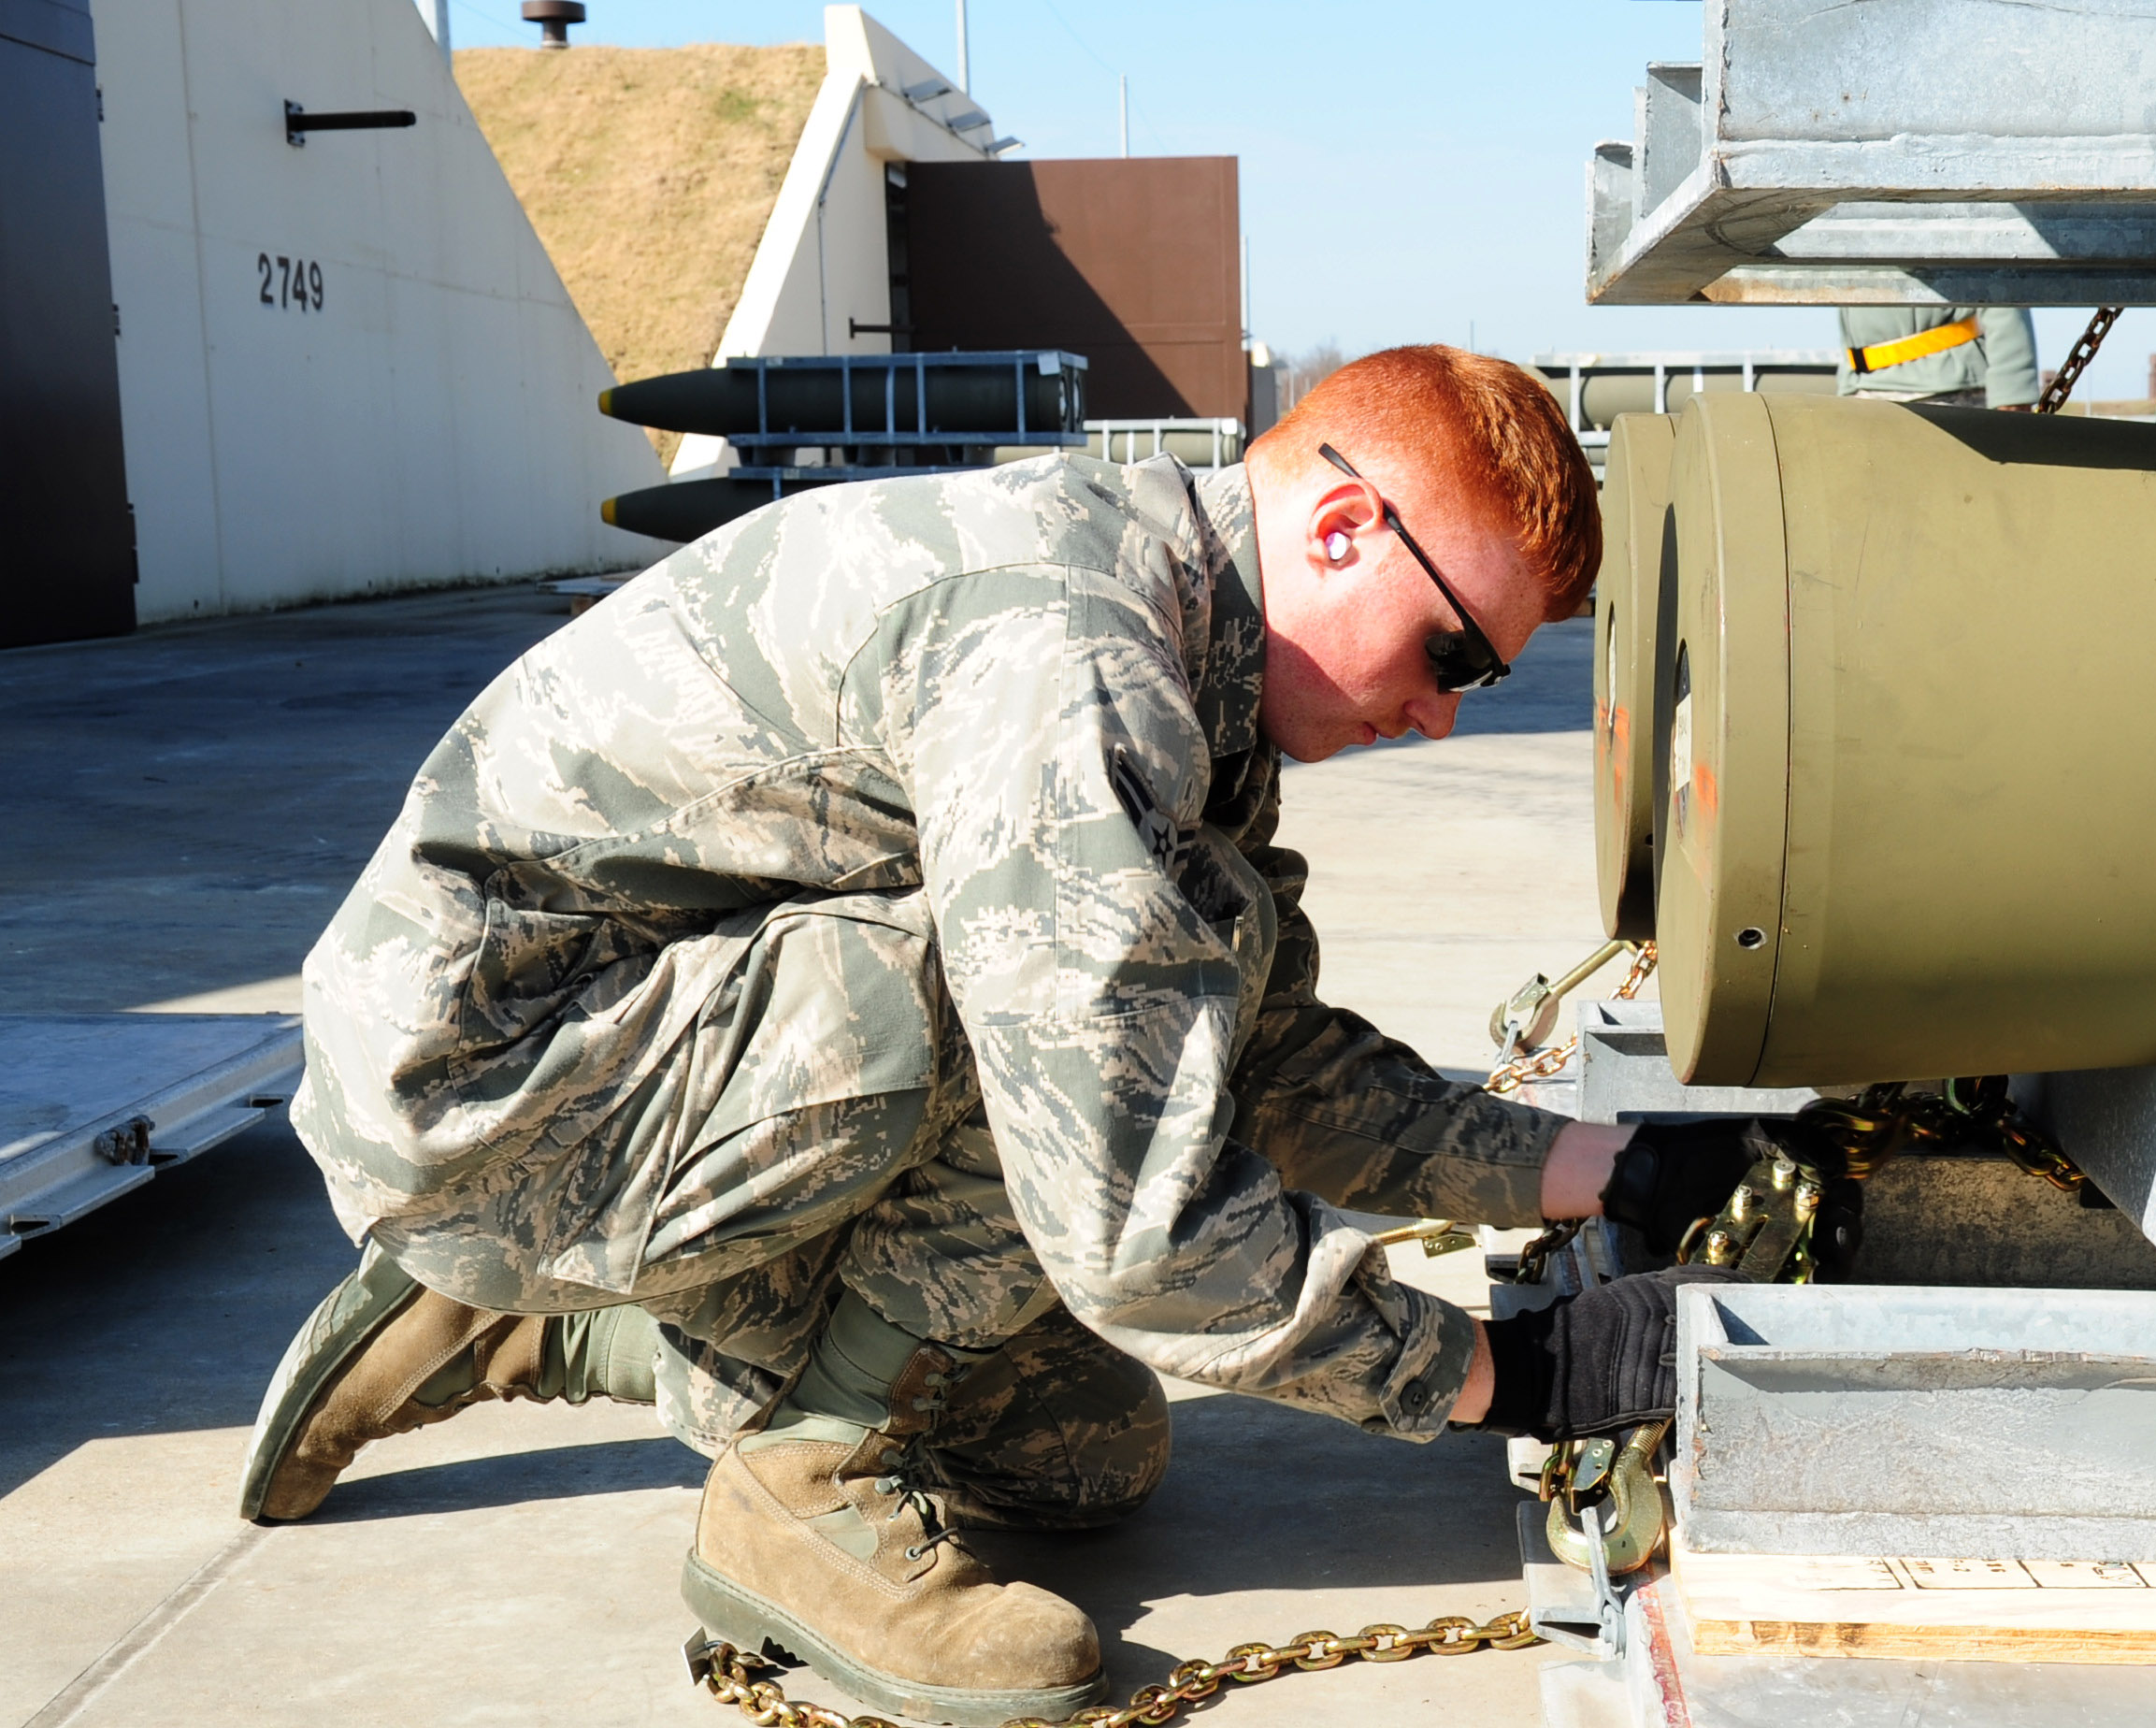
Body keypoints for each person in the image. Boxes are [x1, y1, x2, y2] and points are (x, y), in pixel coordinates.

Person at [238, 346, 1765, 1723]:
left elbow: (1267, 1054)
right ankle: (802, 1477)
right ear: (1343, 525)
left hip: (644, 1067)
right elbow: (1125, 1206)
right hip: (493, 1088)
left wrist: (1608, 1167)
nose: (1445, 716)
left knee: (1088, 1453)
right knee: (1046, 1007)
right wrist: (1506, 1372)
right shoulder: (1076, 647)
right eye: (1454, 658)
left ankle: (557, 1319)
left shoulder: (1182, 641)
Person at [1837, 305, 2039, 410]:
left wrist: (2013, 391)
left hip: (1947, 394)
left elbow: (2000, 283)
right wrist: (1848, 384)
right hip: (1866, 393)